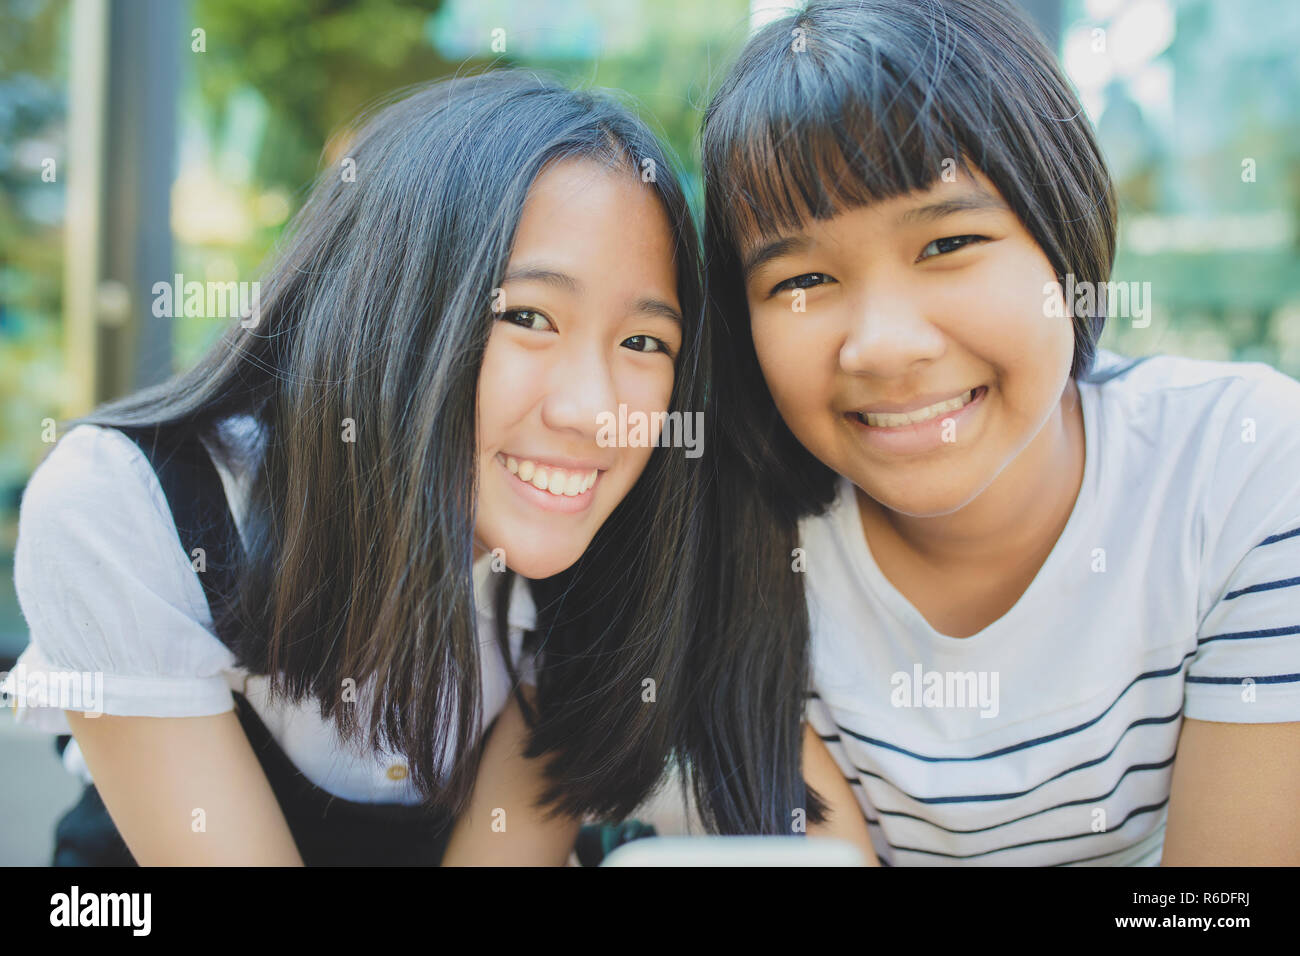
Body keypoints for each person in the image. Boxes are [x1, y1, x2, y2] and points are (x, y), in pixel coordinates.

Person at [2, 69, 709, 866]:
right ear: (387, 305)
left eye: (644, 342)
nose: (592, 409)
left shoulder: (608, 558)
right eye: (527, 317)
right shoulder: (127, 504)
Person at [686, 0, 1300, 864]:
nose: (884, 346)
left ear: (1065, 232)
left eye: (948, 244)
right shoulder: (740, 550)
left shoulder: (1241, 469)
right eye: (805, 278)